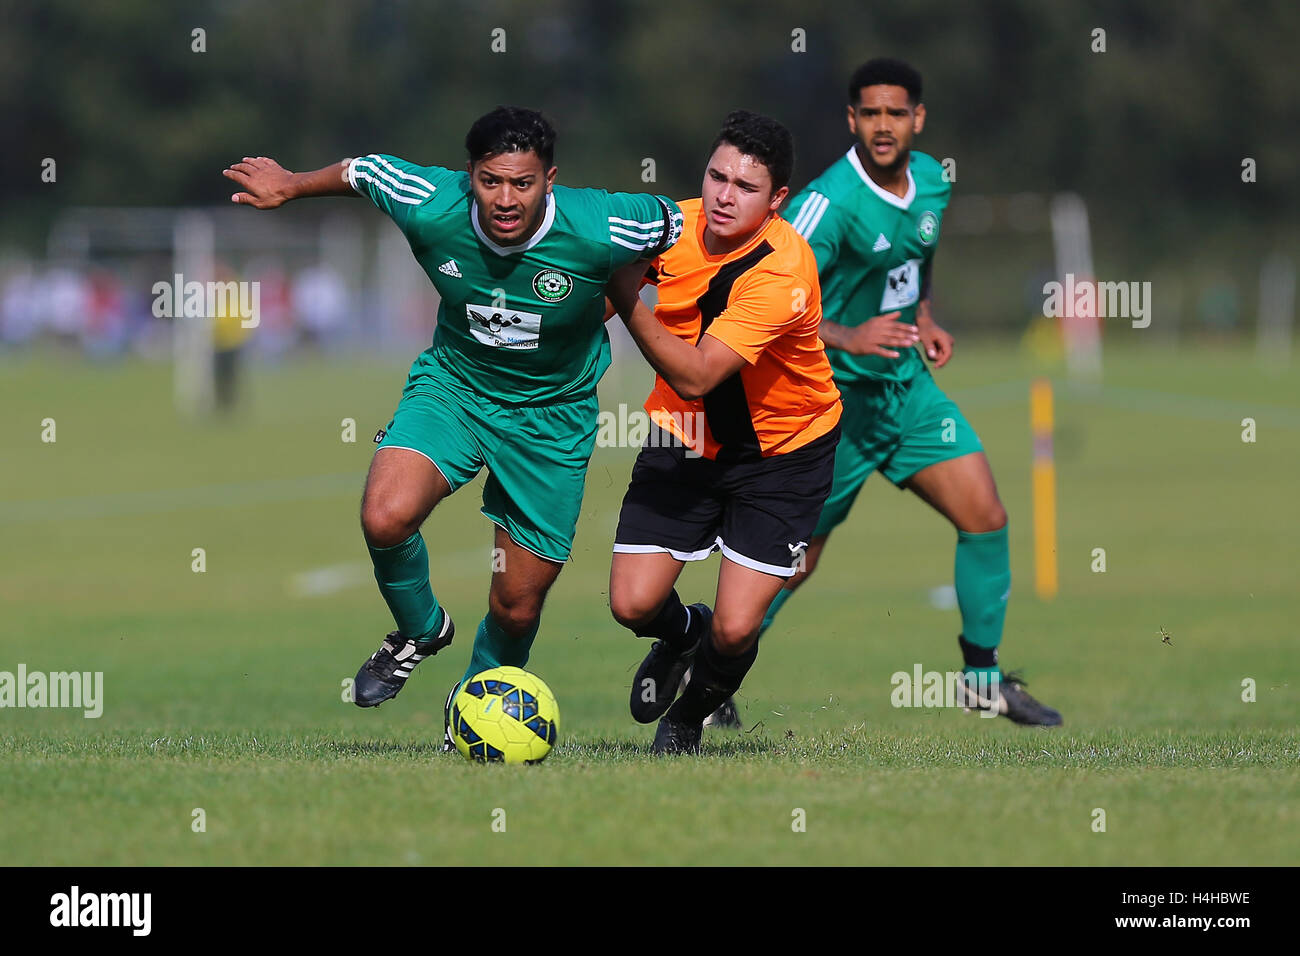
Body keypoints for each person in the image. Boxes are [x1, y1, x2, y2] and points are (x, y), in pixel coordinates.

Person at [224, 107, 683, 746]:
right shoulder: (431, 204)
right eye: (491, 181)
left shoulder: (601, 221)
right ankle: (419, 628)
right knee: (385, 515)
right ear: (469, 175)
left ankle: (474, 711)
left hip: (551, 420)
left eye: (522, 183)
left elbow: (691, 222)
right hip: (454, 389)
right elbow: (365, 171)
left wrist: (623, 297)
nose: (505, 198)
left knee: (516, 605)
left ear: (550, 178)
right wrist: (293, 183)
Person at [715, 58, 1061, 726]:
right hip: (831, 406)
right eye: (869, 113)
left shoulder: (933, 180)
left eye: (895, 113)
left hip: (907, 396)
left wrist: (923, 316)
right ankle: (711, 675)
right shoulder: (828, 204)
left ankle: (982, 680)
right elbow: (771, 301)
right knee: (793, 561)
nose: (882, 125)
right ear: (852, 120)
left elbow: (916, 259)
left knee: (986, 517)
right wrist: (850, 337)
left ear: (917, 119)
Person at [604, 110, 842, 754]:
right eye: (717, 176)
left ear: (777, 200)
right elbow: (597, 292)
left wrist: (625, 298)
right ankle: (684, 634)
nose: (724, 195)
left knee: (737, 631)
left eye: (745, 186)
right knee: (630, 604)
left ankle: (687, 717)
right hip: (683, 439)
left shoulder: (783, 270)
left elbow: (699, 376)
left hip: (782, 455)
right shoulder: (670, 226)